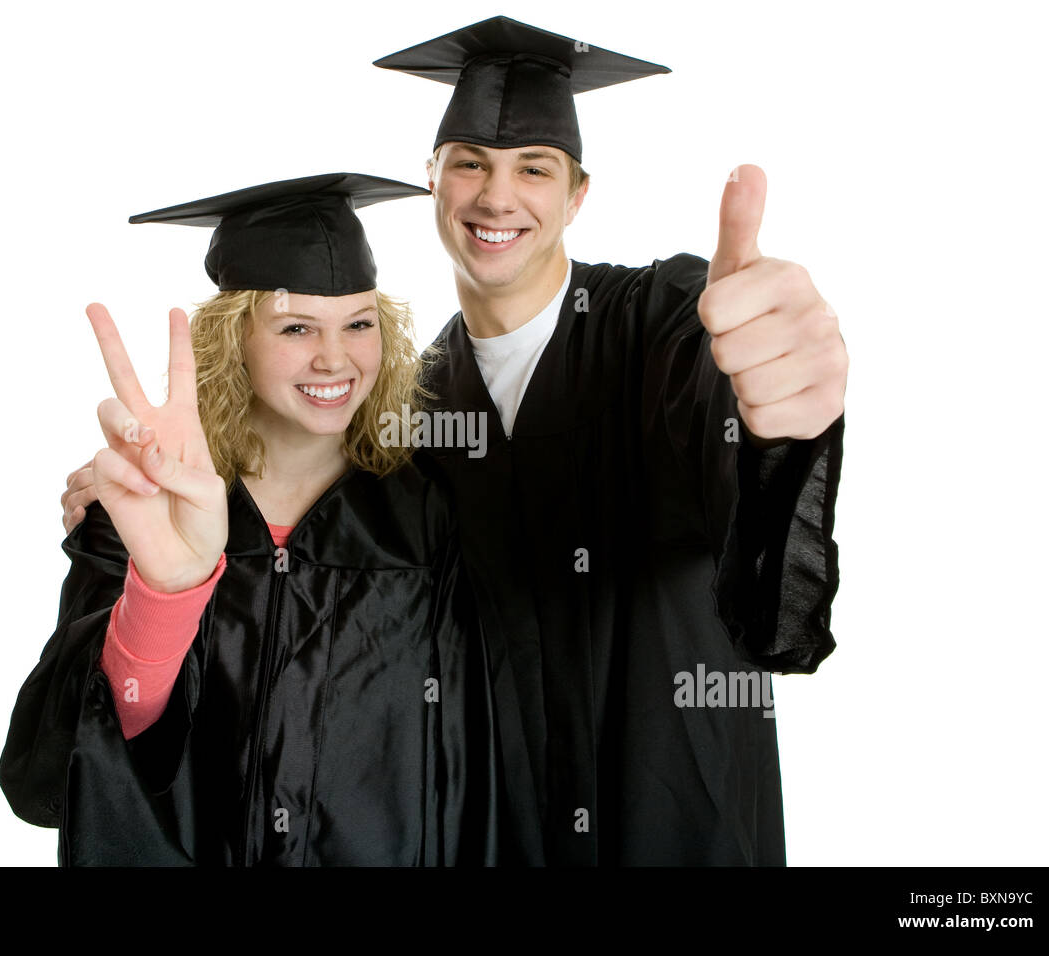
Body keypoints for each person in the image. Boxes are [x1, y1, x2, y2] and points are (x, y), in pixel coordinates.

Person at [62, 18, 850, 866]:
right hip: (503, 839)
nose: (497, 196)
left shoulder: (665, 325)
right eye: (470, 161)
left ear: (578, 195)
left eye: (534, 168)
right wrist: (156, 557)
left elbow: (772, 598)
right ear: (432, 180)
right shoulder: (414, 413)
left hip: (681, 823)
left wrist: (783, 429)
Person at [0, 173, 501, 866]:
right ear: (233, 341)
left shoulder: (430, 520)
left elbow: (471, 770)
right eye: (297, 328)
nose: (335, 358)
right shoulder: (144, 514)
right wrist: (166, 594)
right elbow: (53, 783)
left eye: (359, 323)